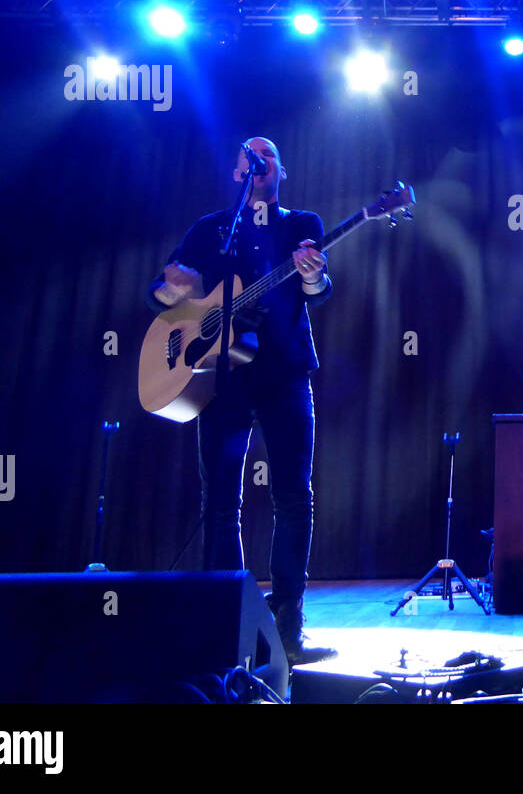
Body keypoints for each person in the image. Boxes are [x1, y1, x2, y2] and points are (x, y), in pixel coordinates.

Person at [148, 137, 337, 663]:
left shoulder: (302, 225)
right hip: (220, 380)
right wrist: (174, 291)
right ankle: (224, 625)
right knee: (220, 503)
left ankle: (287, 629)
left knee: (294, 499)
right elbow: (161, 291)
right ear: (238, 174)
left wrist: (314, 276)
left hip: (285, 374)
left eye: (269, 157)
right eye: (250, 159)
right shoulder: (211, 230)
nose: (259, 164)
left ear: (282, 171)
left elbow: (319, 292)